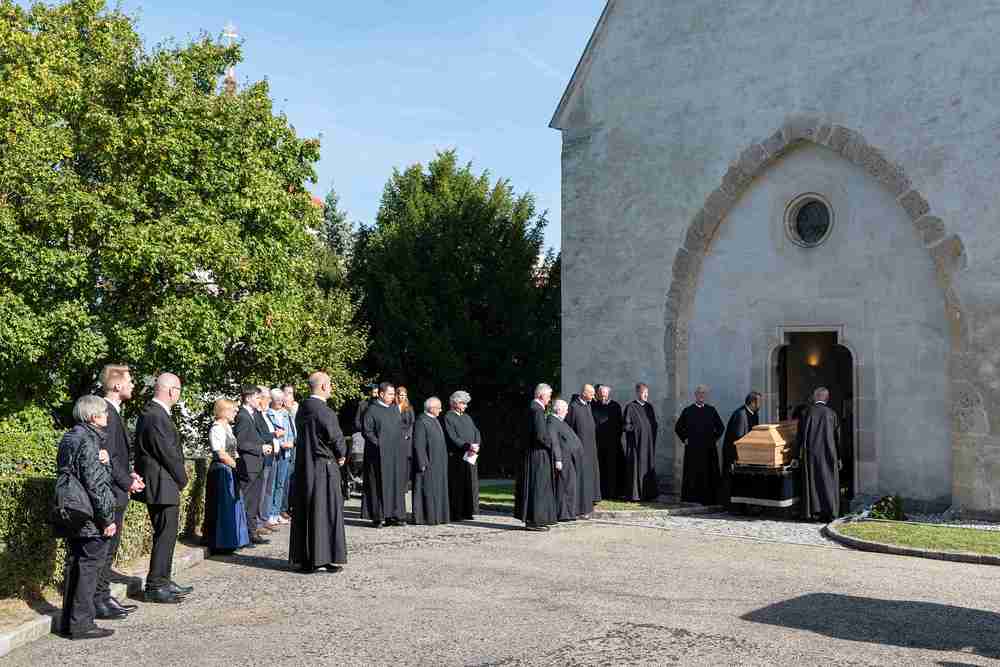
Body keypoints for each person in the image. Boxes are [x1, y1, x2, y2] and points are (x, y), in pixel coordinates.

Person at [56, 395, 118, 640]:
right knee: (89, 566)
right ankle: (82, 624)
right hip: (88, 512)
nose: (108, 415)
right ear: (94, 417)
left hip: (72, 509)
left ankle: (69, 621)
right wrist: (107, 519)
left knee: (75, 564)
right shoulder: (90, 440)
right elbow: (95, 483)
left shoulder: (70, 436)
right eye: (104, 412)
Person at [134, 373, 192, 603]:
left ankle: (164, 579)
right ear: (171, 391)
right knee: (165, 535)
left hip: (163, 483)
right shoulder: (155, 415)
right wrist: (183, 478)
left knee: (167, 535)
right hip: (161, 484)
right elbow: (167, 453)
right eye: (178, 390)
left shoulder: (155, 413)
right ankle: (156, 584)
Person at [93, 364, 142, 620]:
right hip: (110, 492)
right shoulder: (106, 412)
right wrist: (127, 481)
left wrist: (129, 473)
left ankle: (102, 595)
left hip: (117, 489)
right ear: (116, 385)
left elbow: (117, 457)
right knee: (105, 548)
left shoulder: (114, 412)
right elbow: (108, 457)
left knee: (109, 549)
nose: (133, 385)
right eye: (129, 381)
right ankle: (98, 599)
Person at [289, 372, 347, 573]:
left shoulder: (302, 409)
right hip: (323, 467)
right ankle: (323, 557)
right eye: (330, 384)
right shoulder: (324, 411)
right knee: (325, 512)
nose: (331, 388)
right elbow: (335, 437)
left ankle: (307, 558)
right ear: (323, 386)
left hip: (305, 466)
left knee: (308, 512)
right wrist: (341, 454)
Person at [203, 399, 250, 553]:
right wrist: (236, 465)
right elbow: (220, 452)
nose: (235, 413)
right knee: (223, 506)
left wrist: (239, 465)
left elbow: (233, 450)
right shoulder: (216, 428)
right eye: (233, 410)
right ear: (224, 411)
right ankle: (221, 543)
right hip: (221, 470)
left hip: (229, 469)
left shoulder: (228, 428)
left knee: (232, 504)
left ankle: (233, 540)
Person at [514, 384, 559, 531]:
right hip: (538, 453)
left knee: (537, 485)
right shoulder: (537, 410)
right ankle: (534, 520)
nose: (549, 399)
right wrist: (551, 445)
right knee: (538, 486)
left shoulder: (532, 408)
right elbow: (541, 436)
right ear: (541, 395)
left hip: (532, 453)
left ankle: (536, 519)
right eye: (548, 396)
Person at [361, 382, 406, 527]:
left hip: (395, 454)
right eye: (391, 394)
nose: (394, 397)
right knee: (379, 485)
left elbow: (400, 427)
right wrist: (379, 443)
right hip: (378, 456)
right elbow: (367, 431)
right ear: (381, 394)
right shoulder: (372, 410)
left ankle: (394, 515)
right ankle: (379, 516)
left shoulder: (394, 409)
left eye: (394, 394)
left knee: (395, 484)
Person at [234, 385, 273, 545]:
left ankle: (252, 532)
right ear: (248, 398)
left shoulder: (254, 414)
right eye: (257, 398)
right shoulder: (242, 416)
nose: (260, 401)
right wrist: (260, 448)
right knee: (248, 501)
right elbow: (241, 443)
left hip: (258, 463)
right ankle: (245, 535)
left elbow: (263, 432)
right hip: (248, 464)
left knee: (254, 501)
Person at [675, 385, 725, 505]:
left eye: (703, 393)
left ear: (705, 396)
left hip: (708, 450)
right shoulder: (688, 411)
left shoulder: (711, 410)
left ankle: (709, 498)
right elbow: (678, 427)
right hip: (694, 450)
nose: (701, 395)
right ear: (695, 395)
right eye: (699, 393)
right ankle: (692, 498)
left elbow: (721, 427)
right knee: (694, 475)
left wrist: (714, 439)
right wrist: (685, 438)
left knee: (708, 474)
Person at [798, 387, 842, 521]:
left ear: (814, 397)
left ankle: (813, 513)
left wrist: (795, 455)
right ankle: (830, 512)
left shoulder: (806, 413)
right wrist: (839, 457)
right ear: (827, 398)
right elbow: (838, 438)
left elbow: (799, 437)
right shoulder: (832, 414)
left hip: (810, 455)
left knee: (812, 483)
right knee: (828, 482)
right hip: (829, 453)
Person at [442, 390, 481, 520]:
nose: (465, 406)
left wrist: (476, 445)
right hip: (457, 455)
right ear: (456, 403)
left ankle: (468, 510)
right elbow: (452, 436)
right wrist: (466, 445)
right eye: (463, 403)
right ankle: (456, 512)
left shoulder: (467, 417)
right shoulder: (448, 417)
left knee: (470, 483)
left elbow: (476, 431)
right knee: (457, 484)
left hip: (470, 454)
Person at [411, 397, 450, 525]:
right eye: (439, 408)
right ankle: (425, 517)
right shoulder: (421, 421)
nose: (440, 410)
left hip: (438, 463)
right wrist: (422, 462)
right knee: (427, 491)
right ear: (431, 408)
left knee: (438, 491)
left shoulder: (435, 420)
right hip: (428, 464)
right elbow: (419, 444)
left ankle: (438, 516)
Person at [720, 392, 761, 508]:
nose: (760, 404)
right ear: (753, 402)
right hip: (734, 455)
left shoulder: (753, 414)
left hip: (746, 455)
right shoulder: (740, 414)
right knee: (732, 481)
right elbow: (739, 437)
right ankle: (730, 506)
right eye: (759, 402)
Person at [565, 384, 600, 518]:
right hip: (580, 449)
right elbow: (569, 429)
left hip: (590, 448)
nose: (593, 396)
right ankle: (581, 505)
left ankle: (591, 499)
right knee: (582, 477)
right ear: (584, 393)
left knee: (591, 475)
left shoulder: (587, 405)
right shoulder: (573, 407)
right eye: (591, 393)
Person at [622, 383, 659, 501]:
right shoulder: (630, 407)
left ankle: (649, 493)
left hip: (647, 445)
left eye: (647, 393)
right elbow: (626, 426)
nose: (646, 395)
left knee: (648, 466)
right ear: (638, 393)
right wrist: (638, 430)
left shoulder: (649, 407)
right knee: (635, 468)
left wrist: (649, 431)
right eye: (644, 393)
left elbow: (653, 424)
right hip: (636, 445)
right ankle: (635, 495)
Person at [256, 385, 285, 532]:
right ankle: (259, 522)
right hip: (265, 455)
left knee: (269, 489)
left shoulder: (266, 414)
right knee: (263, 490)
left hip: (273, 454)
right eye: (267, 398)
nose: (269, 400)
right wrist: (275, 435)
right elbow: (261, 435)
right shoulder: (258, 415)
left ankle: (265, 518)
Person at [548, 399, 580, 522]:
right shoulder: (552, 421)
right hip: (563, 460)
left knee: (569, 486)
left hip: (568, 459)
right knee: (564, 486)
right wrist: (558, 459)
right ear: (559, 409)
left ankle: (569, 512)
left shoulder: (559, 421)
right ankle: (563, 513)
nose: (567, 412)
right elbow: (554, 441)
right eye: (566, 409)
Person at [267, 388, 295, 526]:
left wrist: (290, 442)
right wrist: (280, 443)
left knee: (280, 484)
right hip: (275, 451)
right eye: (277, 400)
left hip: (286, 452)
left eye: (281, 400)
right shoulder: (267, 414)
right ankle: (269, 513)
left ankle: (276, 512)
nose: (280, 403)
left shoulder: (286, 414)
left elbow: (292, 432)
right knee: (271, 484)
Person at [591, 384, 624, 500]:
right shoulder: (593, 406)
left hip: (613, 443)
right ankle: (600, 492)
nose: (603, 398)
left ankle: (612, 492)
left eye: (605, 395)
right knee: (600, 468)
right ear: (598, 394)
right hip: (598, 443)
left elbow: (620, 424)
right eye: (601, 395)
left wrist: (615, 438)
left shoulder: (615, 406)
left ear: (608, 394)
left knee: (612, 468)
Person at [397, 386, 415, 499]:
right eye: (400, 395)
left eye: (404, 395)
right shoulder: (393, 407)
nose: (402, 397)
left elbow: (412, 423)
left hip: (406, 438)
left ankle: (404, 486)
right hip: (395, 438)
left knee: (405, 463)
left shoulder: (409, 408)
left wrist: (407, 435)